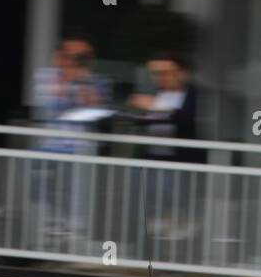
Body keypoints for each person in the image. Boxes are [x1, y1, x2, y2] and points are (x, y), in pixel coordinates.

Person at [31, 36, 112, 240]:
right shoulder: (46, 76)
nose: (78, 61)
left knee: (76, 189)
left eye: (84, 57)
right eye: (74, 56)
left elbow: (98, 109)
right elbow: (49, 106)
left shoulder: (98, 80)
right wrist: (67, 79)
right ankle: (51, 225)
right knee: (45, 187)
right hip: (51, 144)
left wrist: (82, 80)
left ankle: (75, 230)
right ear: (60, 56)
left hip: (81, 146)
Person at [129, 53, 203, 241]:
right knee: (152, 208)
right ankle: (154, 247)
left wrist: (156, 107)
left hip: (181, 161)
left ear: (182, 73)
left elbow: (187, 120)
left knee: (179, 207)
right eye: (158, 73)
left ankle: (180, 249)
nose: (162, 77)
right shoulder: (157, 93)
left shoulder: (195, 94)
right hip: (154, 158)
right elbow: (141, 121)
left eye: (167, 72)